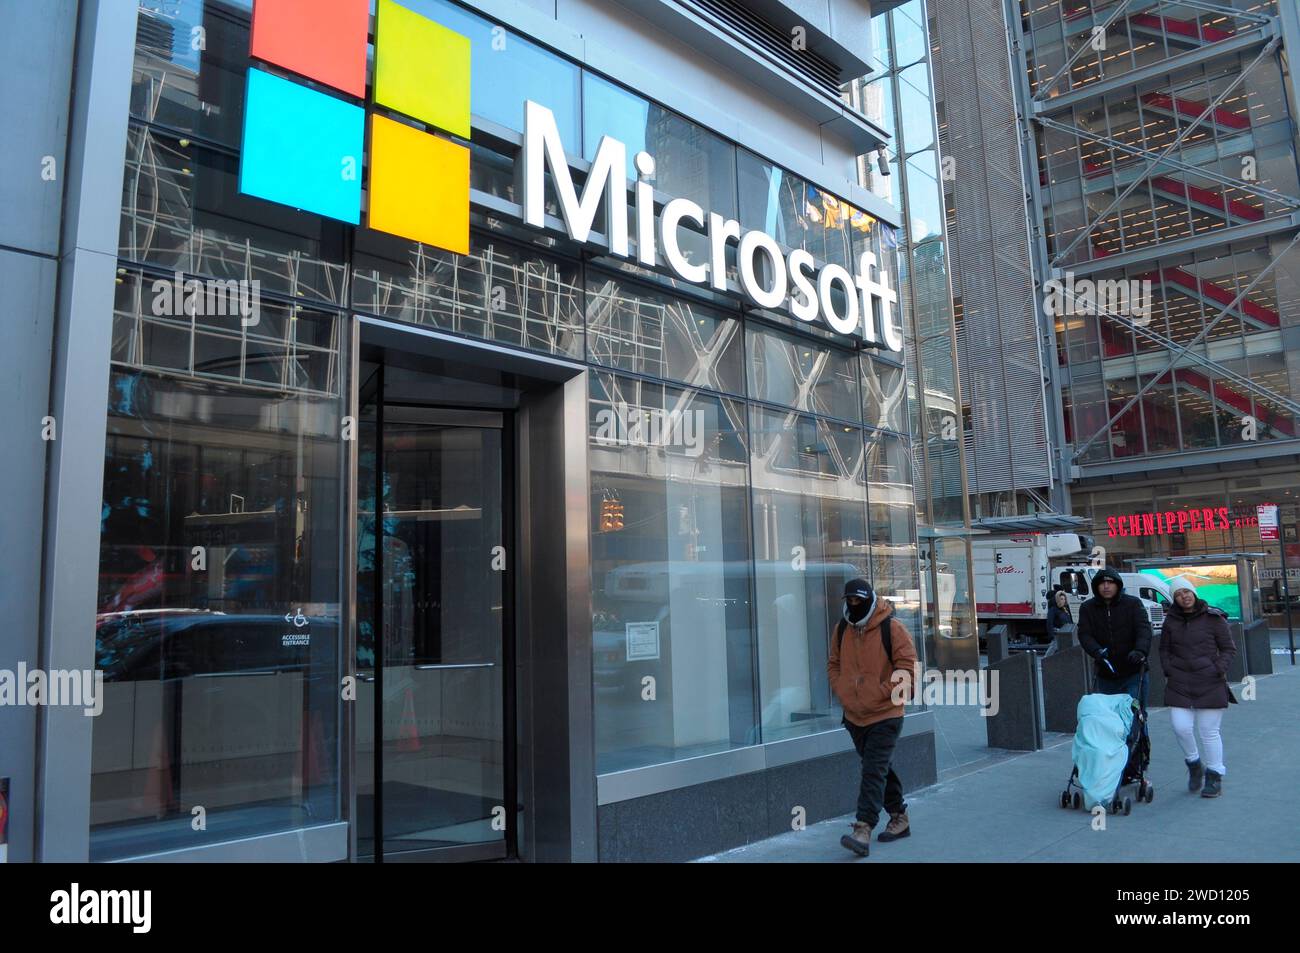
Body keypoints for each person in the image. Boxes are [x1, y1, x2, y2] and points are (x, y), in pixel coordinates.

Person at [827, 578, 918, 857]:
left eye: (859, 600)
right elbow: (834, 664)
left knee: (872, 770)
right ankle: (899, 817)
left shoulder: (892, 628)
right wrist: (843, 691)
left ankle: (863, 827)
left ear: (869, 599)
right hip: (854, 716)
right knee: (877, 767)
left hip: (886, 714)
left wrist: (878, 693)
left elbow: (909, 674)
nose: (854, 605)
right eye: (849, 600)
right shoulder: (842, 628)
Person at [1159, 585, 1236, 798]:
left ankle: (1214, 775)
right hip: (1179, 682)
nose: (1184, 597)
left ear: (1194, 593)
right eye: (1178, 594)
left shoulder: (1214, 618)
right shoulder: (1171, 621)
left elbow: (1229, 648)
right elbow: (1164, 648)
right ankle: (1194, 764)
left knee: (1209, 732)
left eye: (1187, 592)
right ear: (1174, 599)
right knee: (1180, 727)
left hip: (1210, 682)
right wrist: (1168, 669)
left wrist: (1217, 668)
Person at [1077, 568, 1151, 704]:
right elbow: (1084, 634)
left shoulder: (1133, 604)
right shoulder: (1087, 607)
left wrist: (1140, 650)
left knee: (1135, 714)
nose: (1106, 587)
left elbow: (1144, 630)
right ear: (1096, 587)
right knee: (1110, 717)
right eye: (1102, 583)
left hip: (1133, 670)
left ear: (1118, 585)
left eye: (1110, 583)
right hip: (1106, 672)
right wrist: (1096, 650)